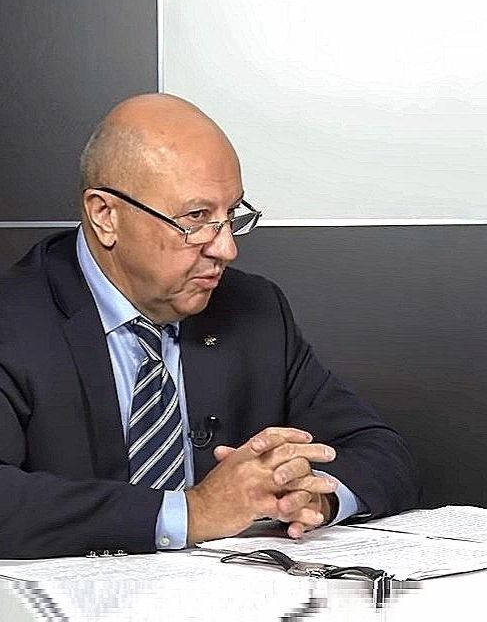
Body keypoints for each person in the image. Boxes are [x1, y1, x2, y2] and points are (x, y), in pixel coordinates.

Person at [0, 94, 420, 558]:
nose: (226, 249)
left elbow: (381, 453)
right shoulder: (13, 318)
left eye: (232, 215)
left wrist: (312, 494)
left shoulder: (255, 310)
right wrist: (194, 512)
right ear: (106, 216)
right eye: (196, 219)